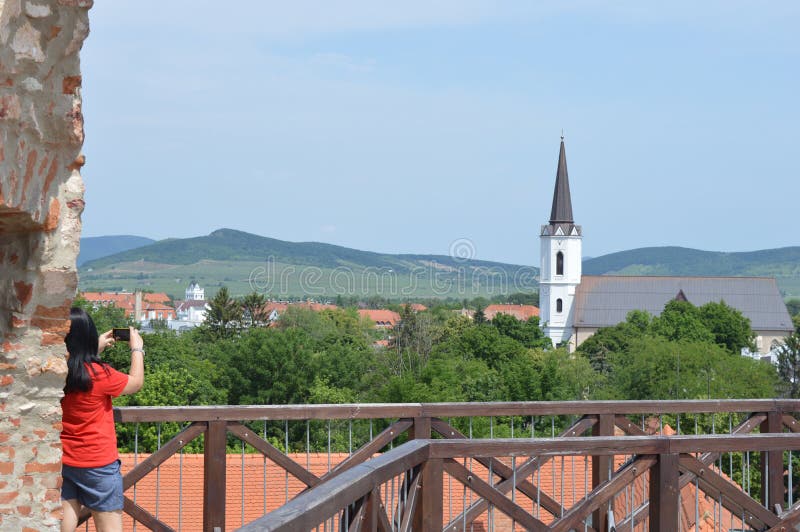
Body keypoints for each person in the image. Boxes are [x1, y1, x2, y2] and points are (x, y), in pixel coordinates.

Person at [60, 308, 144, 532]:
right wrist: (137, 348)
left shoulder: (57, 372)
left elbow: (75, 362)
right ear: (89, 336)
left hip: (65, 461)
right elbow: (135, 382)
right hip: (98, 464)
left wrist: (93, 347)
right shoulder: (100, 374)